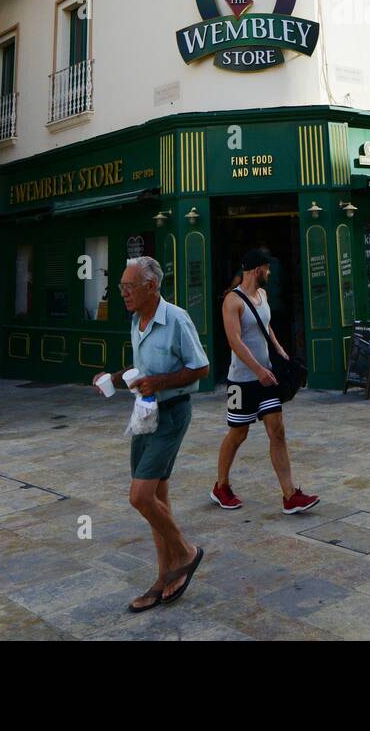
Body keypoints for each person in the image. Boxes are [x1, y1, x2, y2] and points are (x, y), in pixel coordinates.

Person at [92, 256, 209, 613]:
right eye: (121, 287)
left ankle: (187, 553)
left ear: (151, 286)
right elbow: (143, 368)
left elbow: (201, 367)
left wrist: (160, 382)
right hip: (144, 413)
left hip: (172, 414)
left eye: (129, 287)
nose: (123, 293)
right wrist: (114, 378)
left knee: (140, 497)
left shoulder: (176, 319)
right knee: (157, 498)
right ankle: (164, 578)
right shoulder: (135, 320)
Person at [211, 248, 318, 515]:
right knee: (238, 433)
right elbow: (234, 341)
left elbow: (265, 325)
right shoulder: (231, 301)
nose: (270, 273)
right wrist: (258, 369)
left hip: (267, 377)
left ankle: (290, 495)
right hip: (241, 381)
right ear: (257, 269)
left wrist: (279, 349)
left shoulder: (263, 295)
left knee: (277, 431)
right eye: (267, 269)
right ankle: (221, 486)